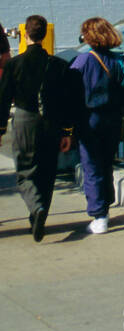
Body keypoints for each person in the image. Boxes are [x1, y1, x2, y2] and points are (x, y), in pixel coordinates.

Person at [0, 15, 74, 241]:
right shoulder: (59, 65)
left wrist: (1, 127)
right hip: (51, 121)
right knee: (47, 170)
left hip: (24, 118)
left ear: (25, 34)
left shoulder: (14, 64)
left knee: (25, 170)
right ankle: (40, 213)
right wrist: (67, 131)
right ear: (44, 35)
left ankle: (36, 206)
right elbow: (66, 100)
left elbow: (4, 98)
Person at [71, 18, 124, 235]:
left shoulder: (82, 62)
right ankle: (105, 207)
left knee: (91, 167)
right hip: (113, 120)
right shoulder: (119, 62)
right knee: (107, 164)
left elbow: (69, 93)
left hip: (89, 119)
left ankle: (99, 214)